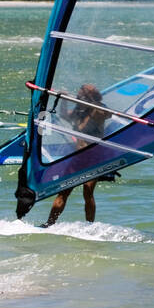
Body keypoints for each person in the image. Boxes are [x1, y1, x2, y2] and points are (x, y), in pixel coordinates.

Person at [44, 84, 107, 227]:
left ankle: (89, 226)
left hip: (93, 157)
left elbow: (108, 114)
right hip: (77, 156)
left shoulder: (98, 111)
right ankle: (49, 224)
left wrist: (91, 99)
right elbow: (64, 115)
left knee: (88, 191)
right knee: (63, 192)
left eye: (82, 94)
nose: (79, 96)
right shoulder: (79, 111)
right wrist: (64, 99)